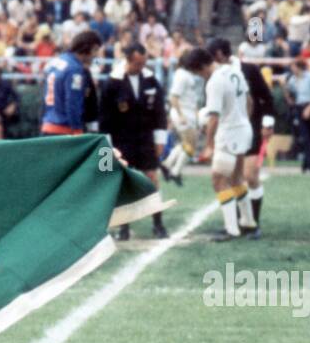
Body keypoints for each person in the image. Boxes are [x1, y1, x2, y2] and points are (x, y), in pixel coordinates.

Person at [99, 43, 169, 240]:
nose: (141, 67)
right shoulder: (112, 82)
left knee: (152, 179)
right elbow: (105, 118)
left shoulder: (150, 79)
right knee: (123, 183)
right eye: (138, 63)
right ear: (128, 60)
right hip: (122, 140)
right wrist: (108, 147)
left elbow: (160, 112)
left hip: (145, 138)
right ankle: (124, 228)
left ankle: (158, 223)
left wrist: (160, 139)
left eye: (143, 63)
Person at [207, 37, 275, 239]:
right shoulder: (217, 75)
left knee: (250, 175)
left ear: (219, 54)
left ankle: (254, 223)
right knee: (231, 177)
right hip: (229, 131)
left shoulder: (249, 70)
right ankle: (238, 223)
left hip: (250, 128)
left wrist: (267, 124)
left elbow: (266, 97)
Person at [189, 46, 256, 241]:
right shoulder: (234, 70)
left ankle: (232, 230)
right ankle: (248, 224)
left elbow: (214, 117)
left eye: (197, 72)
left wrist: (208, 144)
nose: (199, 76)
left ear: (201, 67)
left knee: (218, 179)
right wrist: (243, 121)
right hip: (244, 128)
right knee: (236, 179)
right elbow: (250, 101)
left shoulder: (214, 81)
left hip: (229, 134)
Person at [41, 29, 103, 136]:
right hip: (63, 129)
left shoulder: (57, 61)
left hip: (48, 124)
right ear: (86, 48)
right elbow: (72, 102)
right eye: (95, 50)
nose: (96, 55)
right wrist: (77, 129)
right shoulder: (75, 70)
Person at [163, 55, 204, 184]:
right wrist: (181, 115)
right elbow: (173, 97)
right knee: (191, 144)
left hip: (188, 113)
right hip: (183, 114)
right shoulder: (182, 75)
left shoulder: (186, 75)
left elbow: (191, 98)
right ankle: (174, 171)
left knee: (188, 143)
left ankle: (168, 165)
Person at [284, 58, 310, 174]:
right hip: (299, 107)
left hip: (309, 106)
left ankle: (306, 165)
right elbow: (290, 95)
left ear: (299, 67)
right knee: (304, 137)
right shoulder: (292, 80)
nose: (292, 69)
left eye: (293, 66)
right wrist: (286, 92)